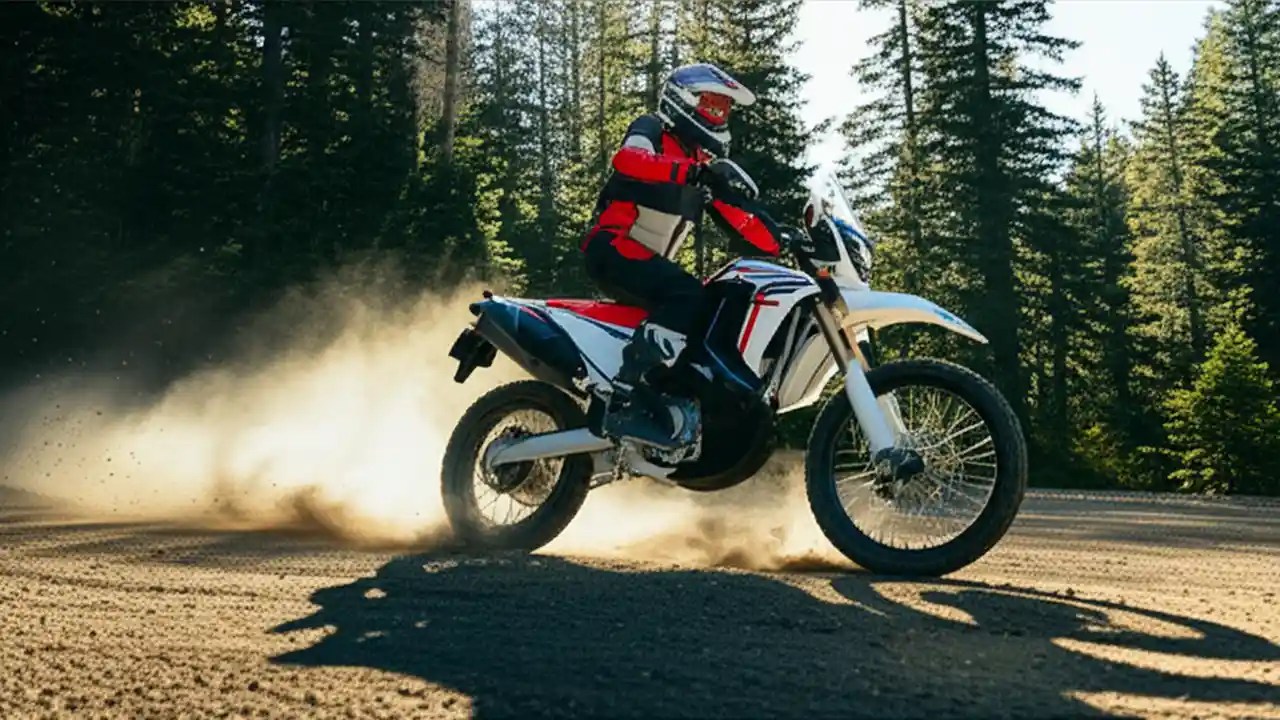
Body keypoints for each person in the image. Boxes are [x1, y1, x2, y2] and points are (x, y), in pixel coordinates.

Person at [578, 62, 783, 449]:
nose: (718, 115)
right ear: (683, 100)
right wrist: (691, 173)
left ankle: (667, 403)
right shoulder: (651, 129)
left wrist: (781, 238)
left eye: (724, 110)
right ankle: (623, 397)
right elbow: (627, 161)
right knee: (689, 295)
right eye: (712, 106)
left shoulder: (702, 168)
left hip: (644, 267)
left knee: (711, 309)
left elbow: (740, 219)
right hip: (612, 247)